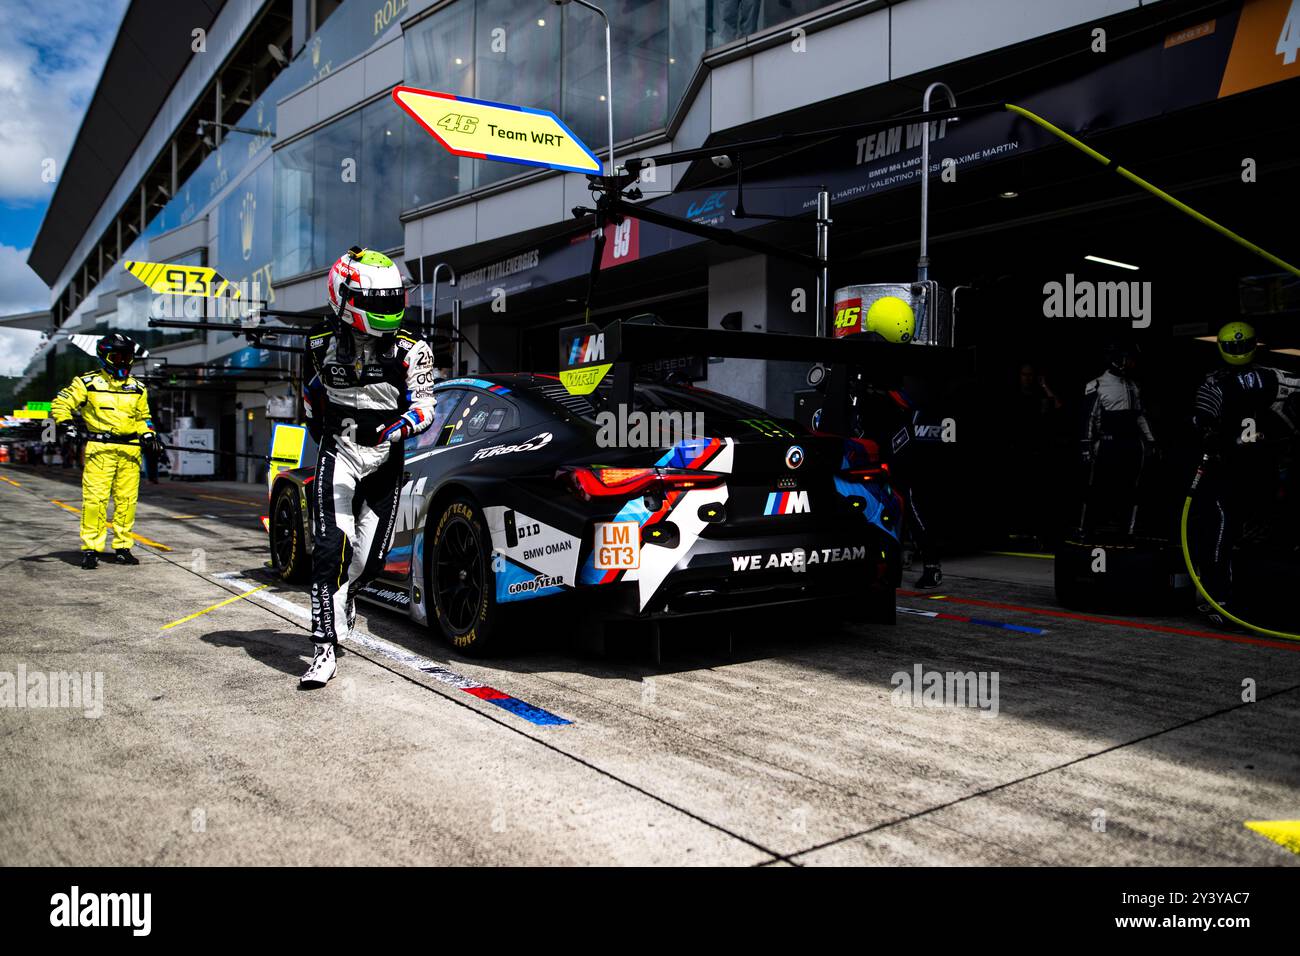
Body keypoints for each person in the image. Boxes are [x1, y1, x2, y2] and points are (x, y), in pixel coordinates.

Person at [300, 247, 437, 688]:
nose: (387, 310)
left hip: (385, 457)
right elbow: (311, 398)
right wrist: (326, 432)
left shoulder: (413, 350)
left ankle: (347, 596)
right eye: (376, 301)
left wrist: (396, 429)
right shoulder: (318, 344)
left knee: (369, 562)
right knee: (328, 549)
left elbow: (427, 408)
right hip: (338, 451)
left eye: (392, 299)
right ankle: (322, 648)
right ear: (342, 297)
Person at [1191, 320, 1300, 627]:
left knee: (1223, 530)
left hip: (1234, 470)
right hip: (1258, 469)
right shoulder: (1275, 377)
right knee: (1253, 530)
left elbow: (1201, 422)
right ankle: (1230, 597)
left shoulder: (1214, 382)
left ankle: (1223, 597)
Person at [51, 333, 162, 569]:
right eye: (116, 357)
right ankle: (91, 548)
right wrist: (66, 424)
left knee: (127, 502)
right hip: (100, 450)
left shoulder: (138, 388)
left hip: (130, 452)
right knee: (95, 501)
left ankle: (122, 548)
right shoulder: (87, 383)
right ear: (103, 357)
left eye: (127, 357)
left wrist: (149, 435)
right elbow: (61, 404)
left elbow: (144, 417)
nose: (122, 362)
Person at [1078, 344, 1156, 535]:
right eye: (1128, 358)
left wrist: (1151, 441)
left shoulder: (1133, 385)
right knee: (1096, 488)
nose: (1132, 363)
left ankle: (1128, 530)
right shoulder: (1096, 385)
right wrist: (1086, 447)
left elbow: (1140, 415)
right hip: (1107, 444)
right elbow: (1089, 417)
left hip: (1131, 444)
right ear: (1117, 359)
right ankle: (1086, 529)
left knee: (1131, 488)